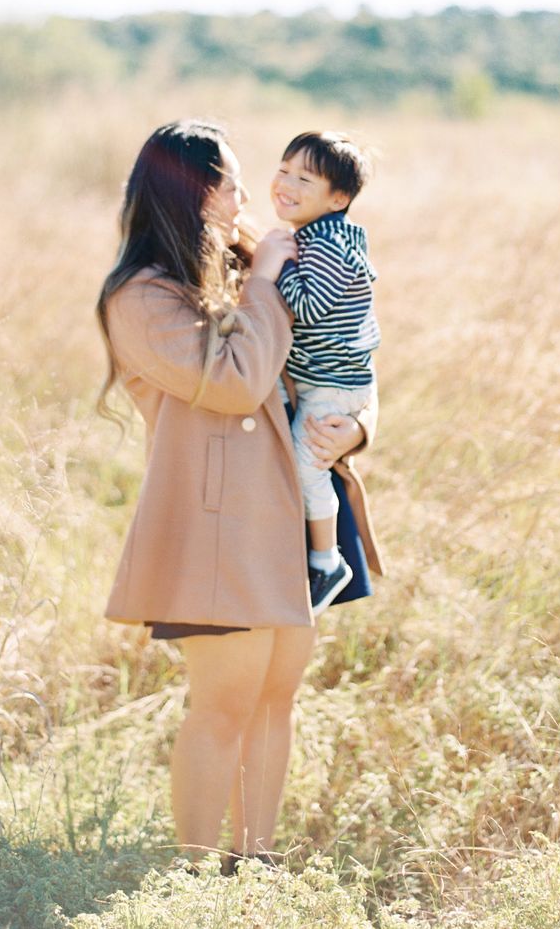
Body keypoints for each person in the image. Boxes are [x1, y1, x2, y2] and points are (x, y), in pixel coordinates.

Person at [96, 119, 380, 865]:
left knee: (274, 700)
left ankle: (253, 866)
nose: (250, 195)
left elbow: (346, 353)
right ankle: (192, 875)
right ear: (192, 191)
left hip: (289, 513)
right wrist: (263, 282)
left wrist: (357, 430)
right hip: (217, 526)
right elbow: (233, 383)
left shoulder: (252, 257)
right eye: (230, 181)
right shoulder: (141, 298)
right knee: (221, 706)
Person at [271, 131, 381, 615]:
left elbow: (311, 308)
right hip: (328, 379)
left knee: (305, 463)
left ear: (339, 198)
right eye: (283, 168)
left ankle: (326, 560)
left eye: (304, 178)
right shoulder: (316, 236)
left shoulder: (328, 244)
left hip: (333, 386)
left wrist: (273, 269)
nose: (286, 183)